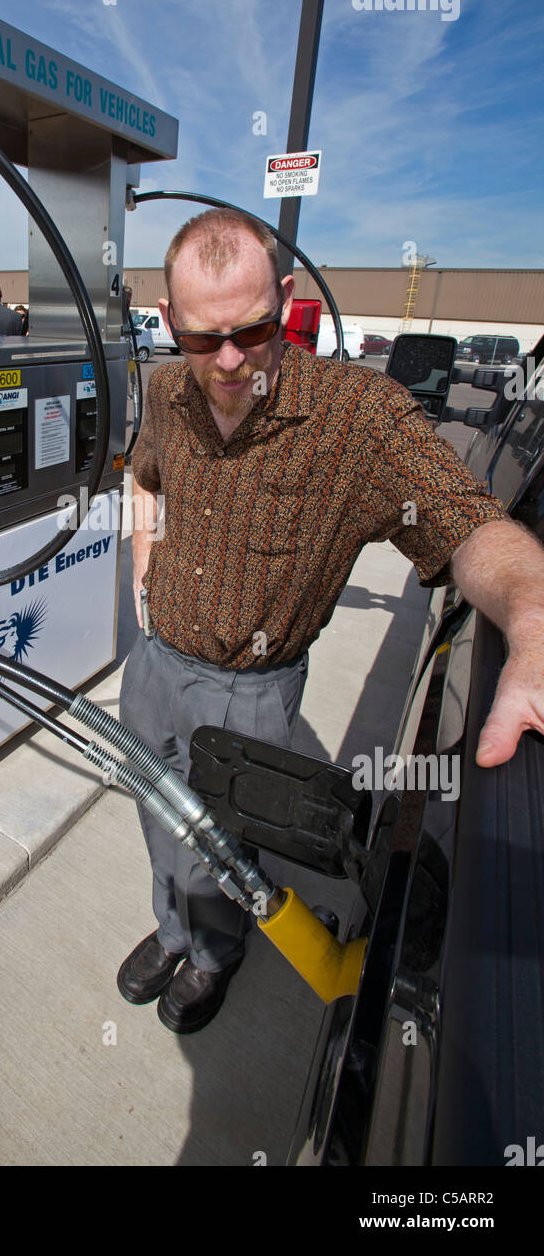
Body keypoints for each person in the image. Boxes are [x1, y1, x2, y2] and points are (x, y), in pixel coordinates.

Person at [117, 206, 544, 1035]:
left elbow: (466, 521)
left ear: (284, 298)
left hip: (248, 693)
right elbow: (145, 474)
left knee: (219, 851)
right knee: (153, 809)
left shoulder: (357, 417)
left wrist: (531, 610)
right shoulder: (166, 386)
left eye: (253, 329)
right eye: (204, 339)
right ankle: (170, 930)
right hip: (154, 663)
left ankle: (211, 954)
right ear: (169, 322)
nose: (231, 361)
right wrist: (145, 559)